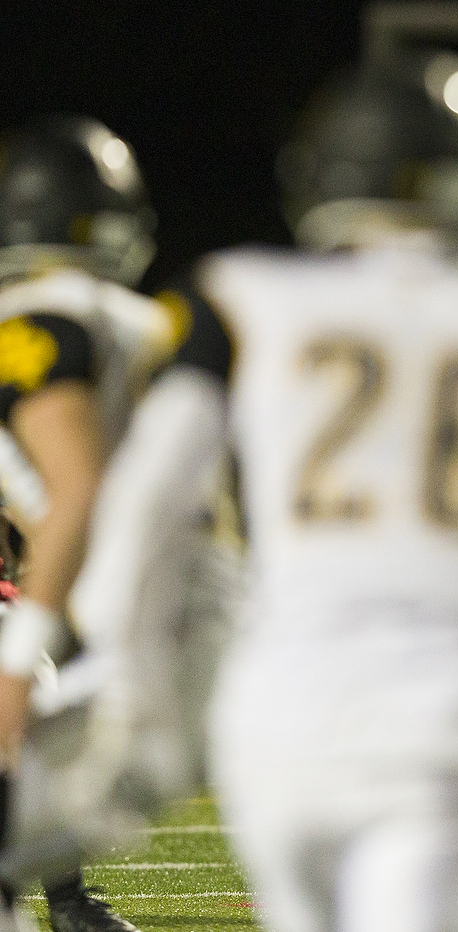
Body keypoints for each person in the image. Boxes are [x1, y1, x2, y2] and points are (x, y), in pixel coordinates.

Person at [108, 52, 458, 932]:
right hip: (444, 726)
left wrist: (139, 694)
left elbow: (144, 517)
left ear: (318, 175)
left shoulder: (240, 297)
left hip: (275, 716)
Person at [0, 114, 182, 932]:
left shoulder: (37, 324)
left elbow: (67, 491)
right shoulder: (149, 323)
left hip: (120, 613)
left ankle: (62, 898)